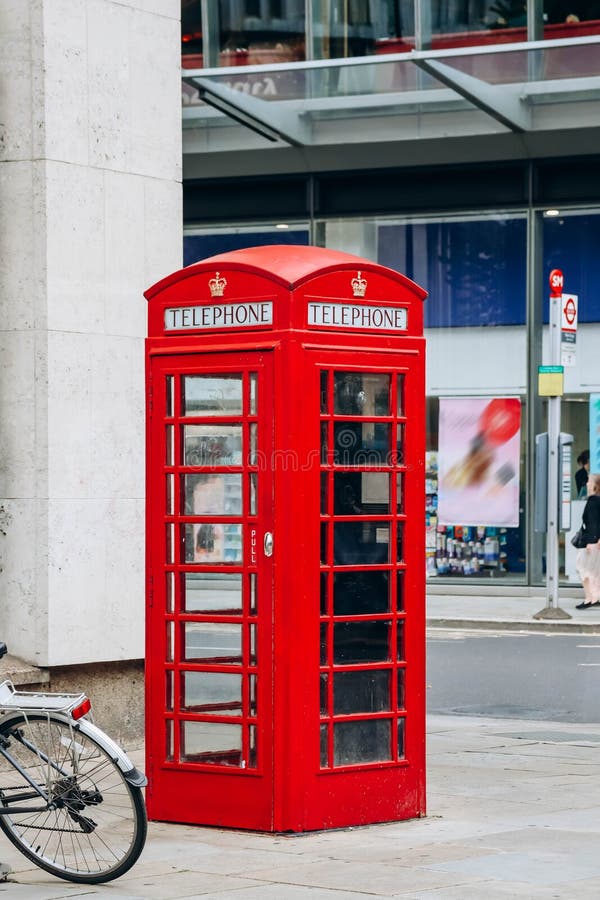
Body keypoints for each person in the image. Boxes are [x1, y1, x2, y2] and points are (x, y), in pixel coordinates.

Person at [575, 472, 600, 609]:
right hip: (595, 541)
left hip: (591, 542)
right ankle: (595, 597)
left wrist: (592, 541)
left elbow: (593, 524)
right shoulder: (597, 500)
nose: (587, 483)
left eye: (589, 481)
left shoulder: (593, 501)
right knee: (594, 570)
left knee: (582, 568)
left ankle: (589, 598)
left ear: (595, 486)